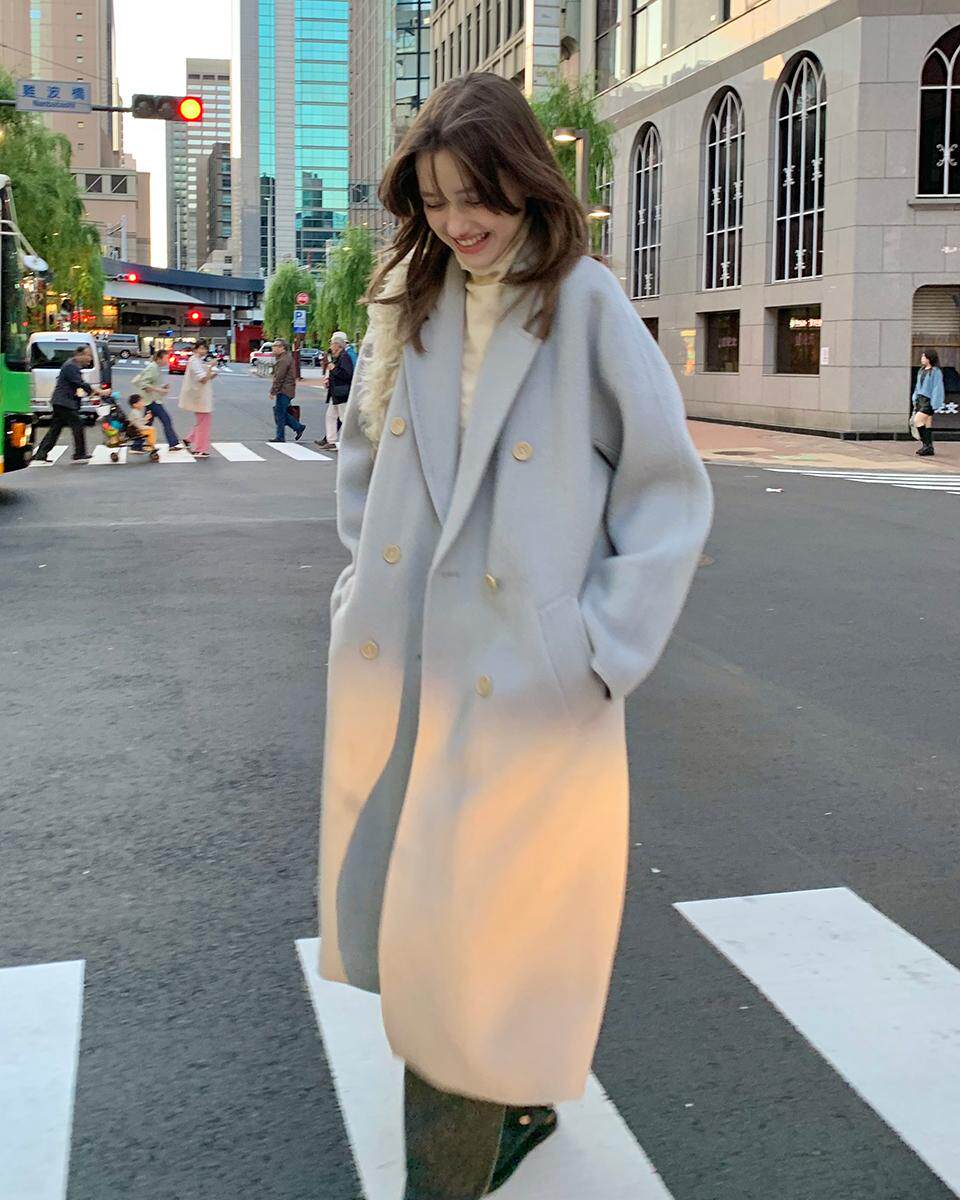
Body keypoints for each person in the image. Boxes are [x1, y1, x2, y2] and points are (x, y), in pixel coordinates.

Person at [317, 73, 713, 1200]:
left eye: (475, 194)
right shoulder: (408, 299)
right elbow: (364, 465)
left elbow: (667, 493)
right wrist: (362, 588)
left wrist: (595, 651)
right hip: (416, 673)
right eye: (435, 199)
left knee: (469, 949)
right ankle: (517, 1108)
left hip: (530, 693)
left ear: (525, 180)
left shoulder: (582, 301)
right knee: (447, 937)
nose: (457, 221)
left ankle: (447, 1172)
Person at [34, 344, 97, 464]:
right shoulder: (71, 366)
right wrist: (96, 391)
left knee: (55, 429)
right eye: (88, 355)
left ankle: (41, 454)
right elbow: (79, 383)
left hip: (62, 402)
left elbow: (77, 385)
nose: (90, 358)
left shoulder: (73, 365)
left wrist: (89, 393)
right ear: (79, 355)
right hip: (64, 402)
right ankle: (79, 453)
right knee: (77, 425)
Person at [132, 348, 182, 452]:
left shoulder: (156, 367)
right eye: (166, 358)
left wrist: (162, 387)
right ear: (159, 358)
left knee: (147, 424)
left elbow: (152, 383)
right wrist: (159, 389)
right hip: (152, 401)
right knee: (166, 420)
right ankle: (173, 443)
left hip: (151, 400)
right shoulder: (152, 367)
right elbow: (144, 384)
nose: (167, 361)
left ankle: (136, 445)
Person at [316, 331, 354, 451]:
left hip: (342, 393)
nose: (330, 346)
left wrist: (334, 369)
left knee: (343, 418)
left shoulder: (344, 357)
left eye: (332, 344)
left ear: (338, 345)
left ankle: (349, 442)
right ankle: (331, 441)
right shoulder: (337, 357)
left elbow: (347, 375)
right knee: (331, 416)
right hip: (336, 393)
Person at [179, 338, 217, 459]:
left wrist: (211, 373)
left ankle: (189, 439)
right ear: (195, 349)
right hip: (199, 397)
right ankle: (199, 449)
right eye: (201, 348)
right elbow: (203, 379)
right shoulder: (194, 361)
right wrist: (210, 368)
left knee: (203, 421)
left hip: (200, 396)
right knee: (204, 422)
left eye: (205, 348)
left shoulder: (197, 360)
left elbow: (205, 377)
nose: (203, 351)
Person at [269, 338, 306, 443]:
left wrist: (273, 391)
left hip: (284, 389)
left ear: (282, 348)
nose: (273, 348)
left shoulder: (283, 360)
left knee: (280, 413)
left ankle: (282, 436)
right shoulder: (285, 358)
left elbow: (279, 377)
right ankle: (298, 427)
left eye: (275, 346)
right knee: (280, 411)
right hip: (287, 389)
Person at [911, 348, 946, 458]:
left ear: (929, 358)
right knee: (927, 424)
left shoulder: (936, 371)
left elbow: (937, 388)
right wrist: (914, 398)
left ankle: (926, 445)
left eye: (924, 357)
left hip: (928, 401)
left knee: (917, 420)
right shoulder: (921, 370)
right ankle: (928, 447)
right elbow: (917, 386)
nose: (922, 359)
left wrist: (934, 403)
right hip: (920, 400)